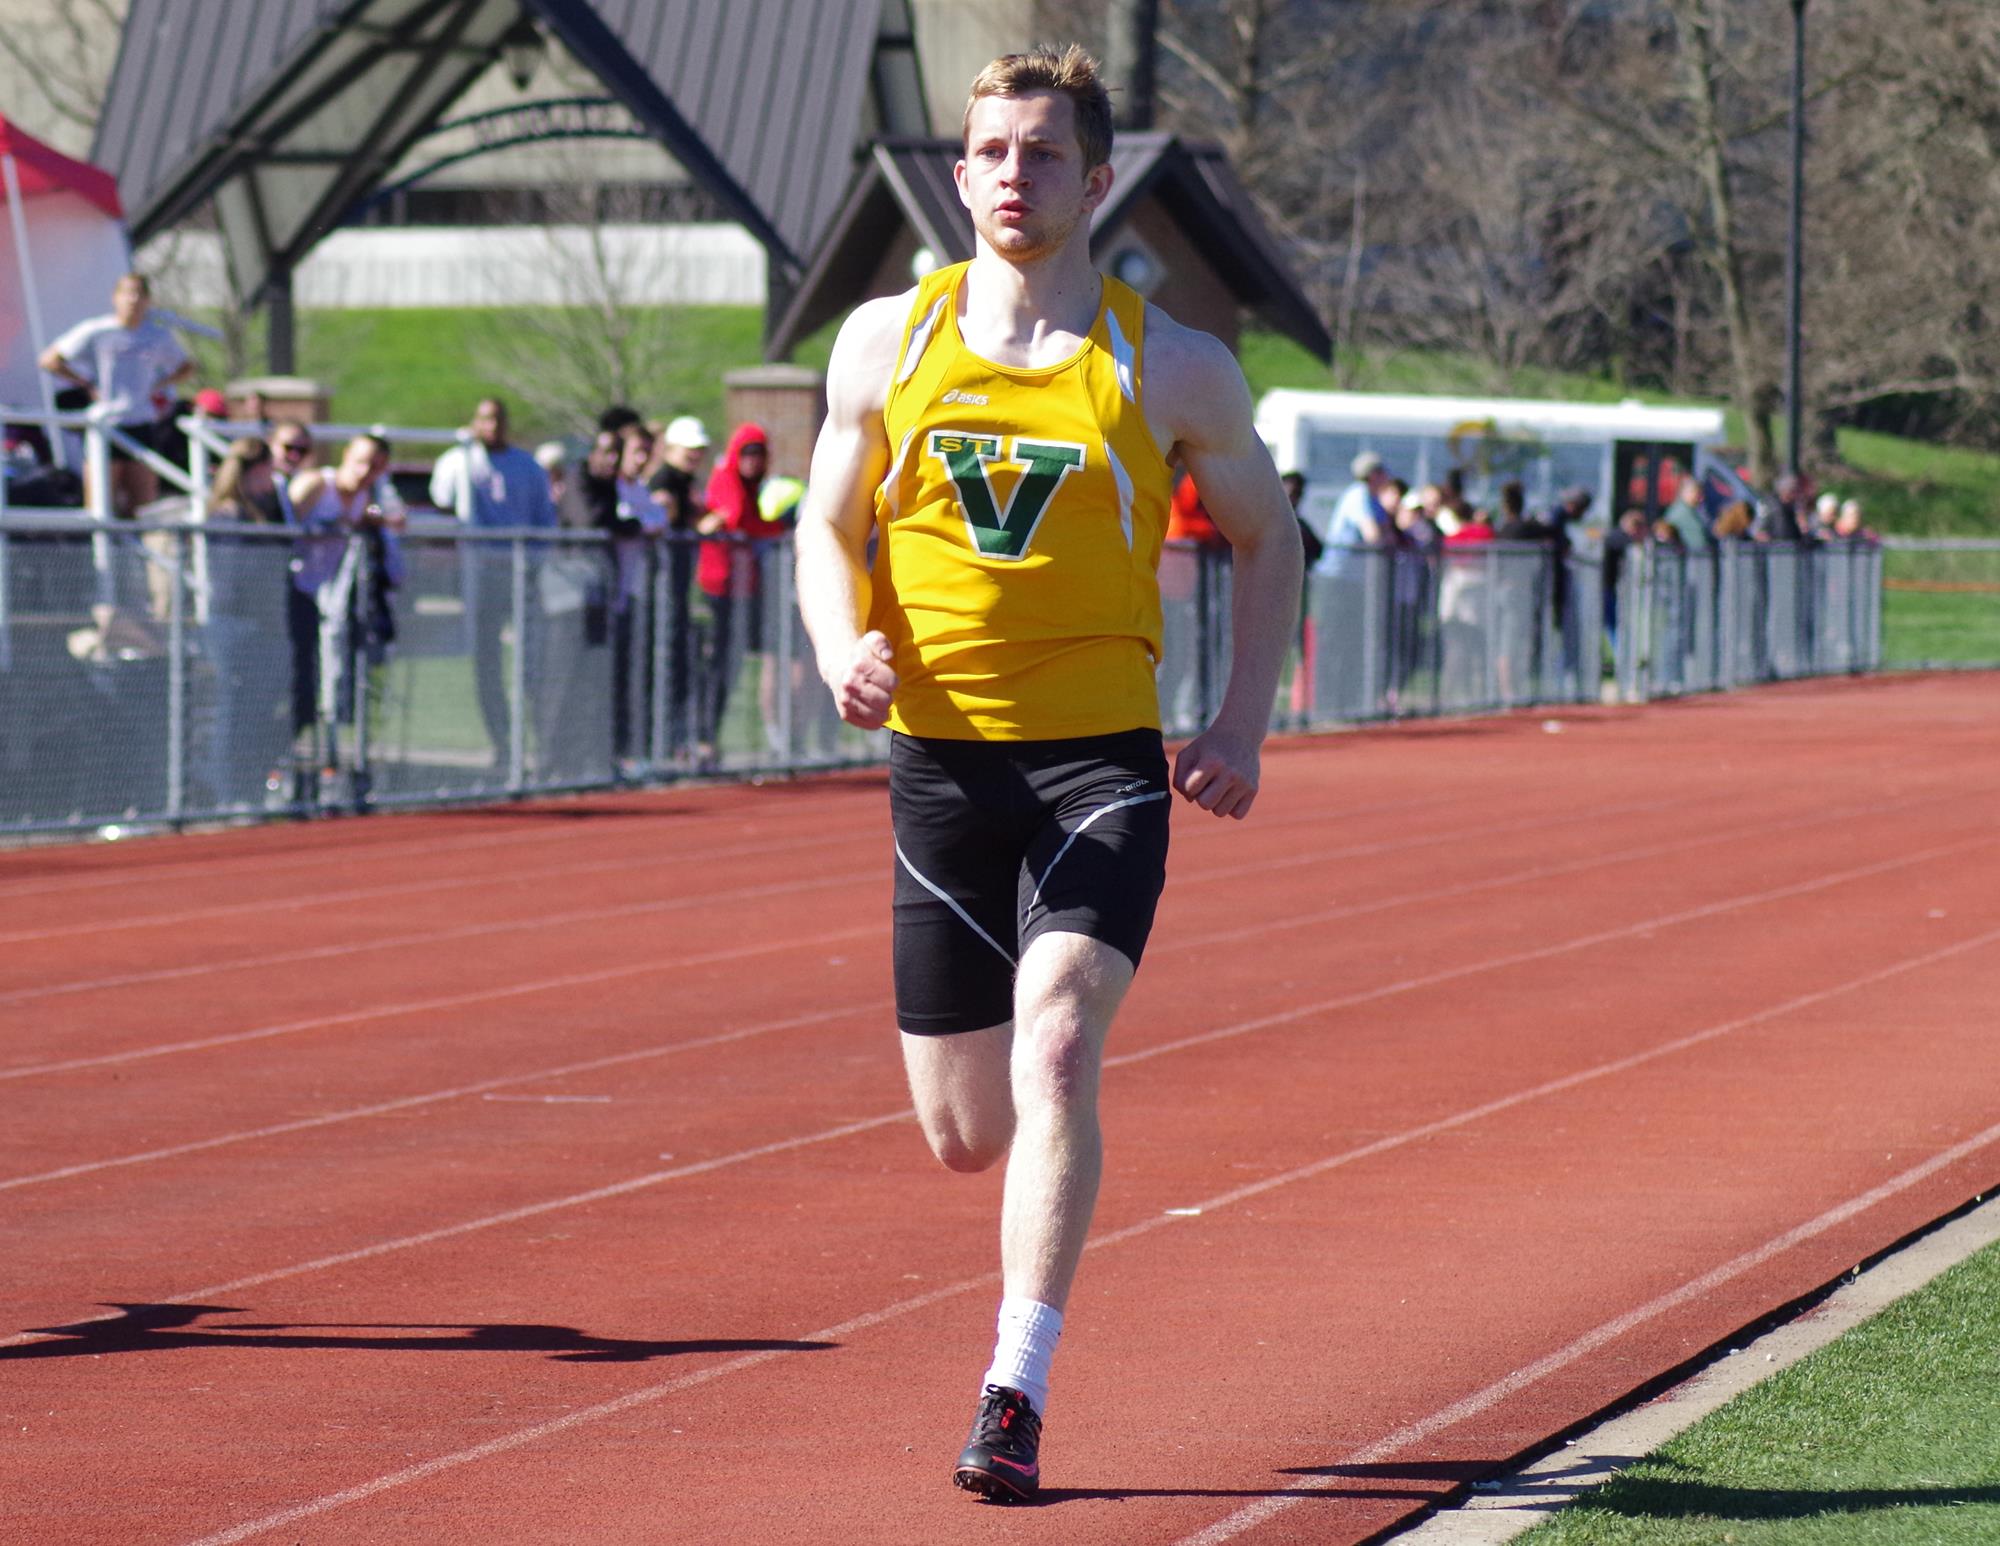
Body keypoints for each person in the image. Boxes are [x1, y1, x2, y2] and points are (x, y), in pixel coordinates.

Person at [793, 44, 1301, 1504]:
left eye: (1045, 152)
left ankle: (1014, 1385)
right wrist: (843, 648)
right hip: (940, 771)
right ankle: (1039, 1176)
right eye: (994, 151)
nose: (1017, 174)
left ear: (1095, 180)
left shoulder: (1174, 365)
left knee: (1062, 1038)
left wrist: (1238, 722)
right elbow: (825, 529)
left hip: (1099, 765)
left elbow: (1269, 537)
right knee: (966, 1132)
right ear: (960, 178)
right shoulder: (885, 343)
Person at [429, 397, 559, 767]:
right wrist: (466, 455)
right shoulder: (460, 461)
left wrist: (538, 563)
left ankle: (535, 742)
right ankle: (501, 740)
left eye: (498, 419)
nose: (491, 427)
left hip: (521, 573)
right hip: (482, 574)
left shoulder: (526, 466)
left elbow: (544, 518)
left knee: (529, 660)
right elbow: (443, 500)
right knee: (487, 660)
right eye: (484, 419)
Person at [39, 273, 195, 520]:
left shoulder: (157, 336)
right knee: (100, 506)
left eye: (139, 294)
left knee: (143, 509)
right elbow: (50, 360)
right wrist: (86, 384)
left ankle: (139, 556)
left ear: (148, 300)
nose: (133, 300)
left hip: (141, 424)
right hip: (105, 426)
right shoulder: (96, 330)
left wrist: (159, 384)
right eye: (127, 293)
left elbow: (187, 366)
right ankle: (102, 557)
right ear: (115, 297)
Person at [199, 436, 293, 805]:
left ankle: (251, 790)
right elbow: (232, 579)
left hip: (265, 624)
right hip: (237, 626)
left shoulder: (267, 508)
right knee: (234, 713)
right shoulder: (228, 514)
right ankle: (230, 796)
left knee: (260, 712)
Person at [695, 422, 783, 764]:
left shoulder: (752, 487)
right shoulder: (726, 478)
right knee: (716, 664)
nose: (752, 461)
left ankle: (709, 737)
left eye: (758, 454)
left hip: (742, 588)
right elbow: (735, 518)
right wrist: (773, 529)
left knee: (731, 666)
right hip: (720, 586)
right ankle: (701, 736)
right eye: (747, 453)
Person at [1310, 450, 1393, 717]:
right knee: (1333, 642)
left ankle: (1346, 705)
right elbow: (1373, 534)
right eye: (1380, 472)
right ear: (1371, 475)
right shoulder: (1358, 495)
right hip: (1338, 581)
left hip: (1354, 582)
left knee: (1351, 643)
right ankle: (1326, 707)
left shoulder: (1372, 498)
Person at [647, 416, 711, 757]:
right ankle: (660, 743)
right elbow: (665, 519)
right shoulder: (665, 480)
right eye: (690, 449)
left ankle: (674, 741)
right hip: (663, 589)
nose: (696, 455)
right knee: (663, 665)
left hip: (678, 588)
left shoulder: (685, 482)